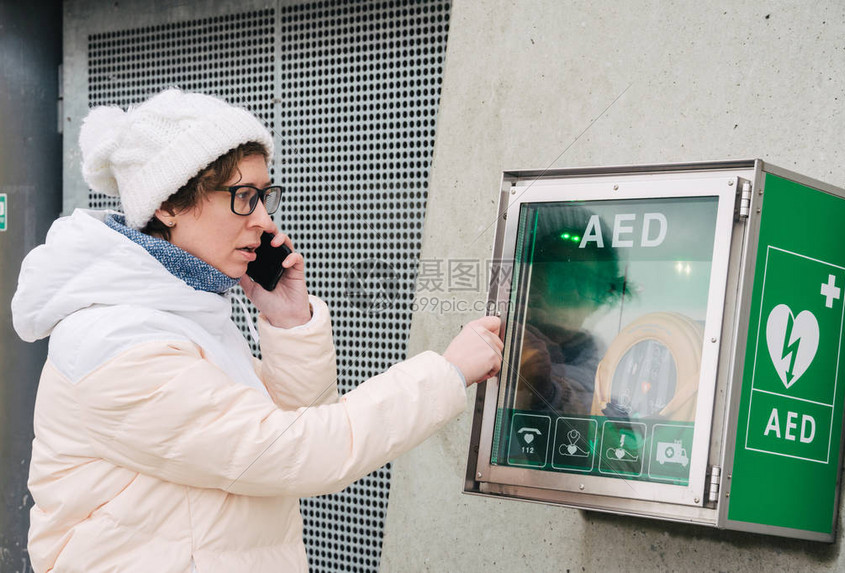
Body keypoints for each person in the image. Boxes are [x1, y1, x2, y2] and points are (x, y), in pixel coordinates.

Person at [11, 89, 502, 573]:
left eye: (265, 196)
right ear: (168, 206)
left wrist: (290, 321)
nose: (265, 220)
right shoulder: (116, 342)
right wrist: (448, 373)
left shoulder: (186, 313)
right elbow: (293, 452)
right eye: (244, 197)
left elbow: (296, 420)